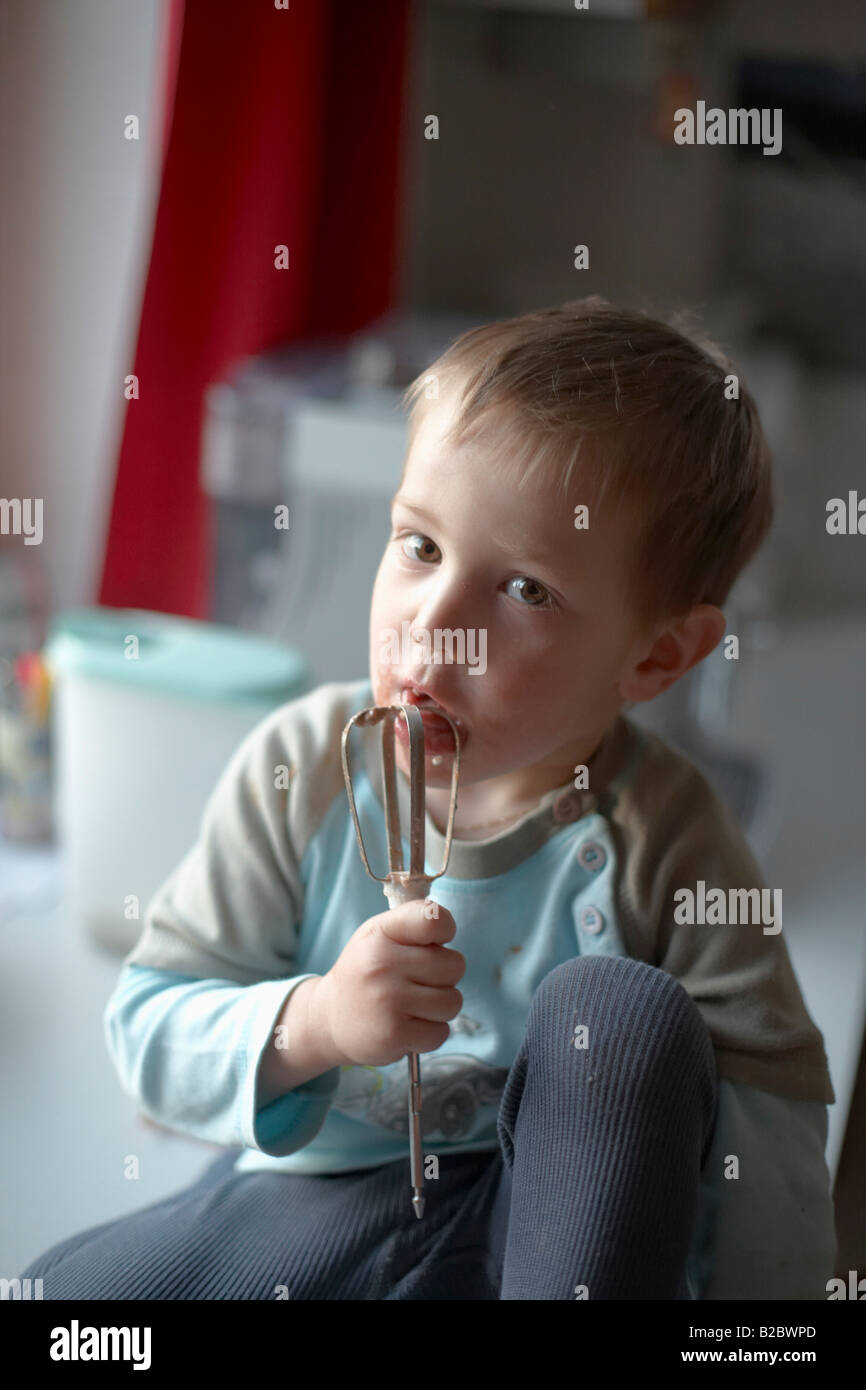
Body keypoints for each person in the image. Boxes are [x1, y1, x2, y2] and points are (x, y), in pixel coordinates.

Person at [21, 297, 835, 1300]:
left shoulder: (667, 838)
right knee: (61, 1304)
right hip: (324, 1194)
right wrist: (314, 1022)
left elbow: (769, 1104)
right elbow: (150, 1026)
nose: (434, 624)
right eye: (418, 545)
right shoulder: (302, 770)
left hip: (546, 1239)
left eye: (525, 589)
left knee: (615, 1012)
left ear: (656, 653)